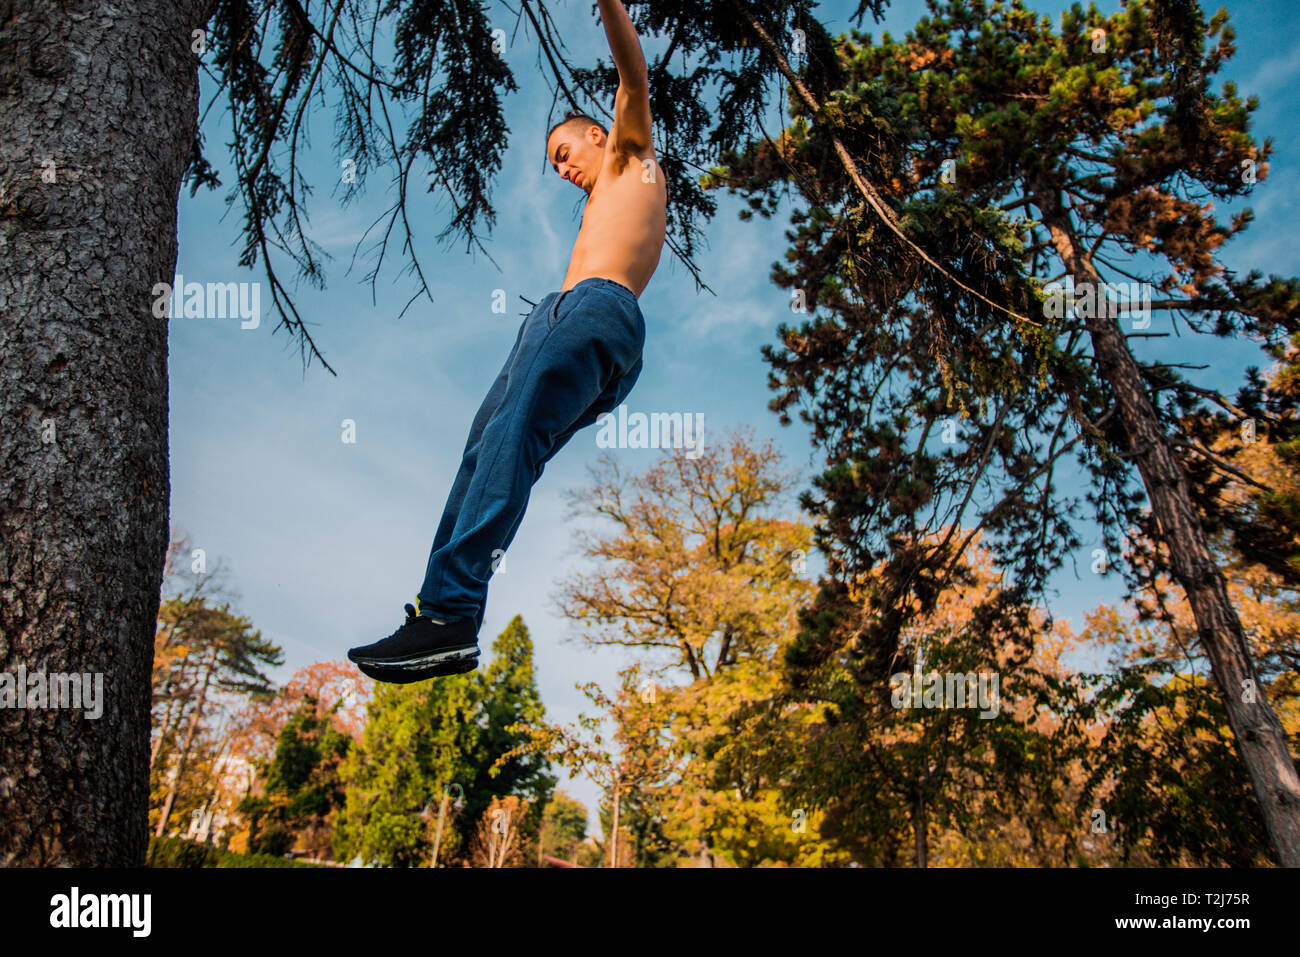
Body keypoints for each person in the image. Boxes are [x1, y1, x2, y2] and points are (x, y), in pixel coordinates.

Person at [348, 0, 667, 683]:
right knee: (487, 447)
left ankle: (452, 615)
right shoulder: (603, 198)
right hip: (569, 318)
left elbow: (633, 81)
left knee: (505, 442)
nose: (561, 169)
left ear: (596, 134)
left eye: (563, 152)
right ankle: (440, 615)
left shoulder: (629, 158)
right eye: (552, 165)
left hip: (593, 309)